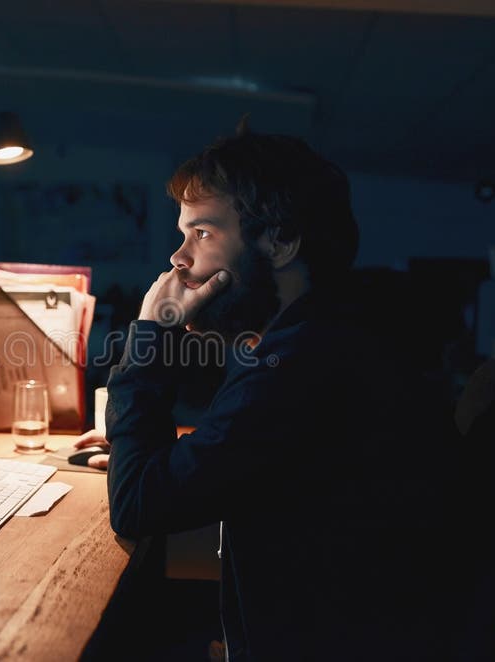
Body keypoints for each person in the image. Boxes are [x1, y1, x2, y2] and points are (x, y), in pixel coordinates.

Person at [89, 121, 463, 661]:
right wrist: (154, 455)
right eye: (183, 234)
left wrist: (153, 330)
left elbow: (137, 506)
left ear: (281, 241)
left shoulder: (297, 365)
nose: (179, 258)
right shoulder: (337, 335)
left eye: (203, 233)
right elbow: (249, 452)